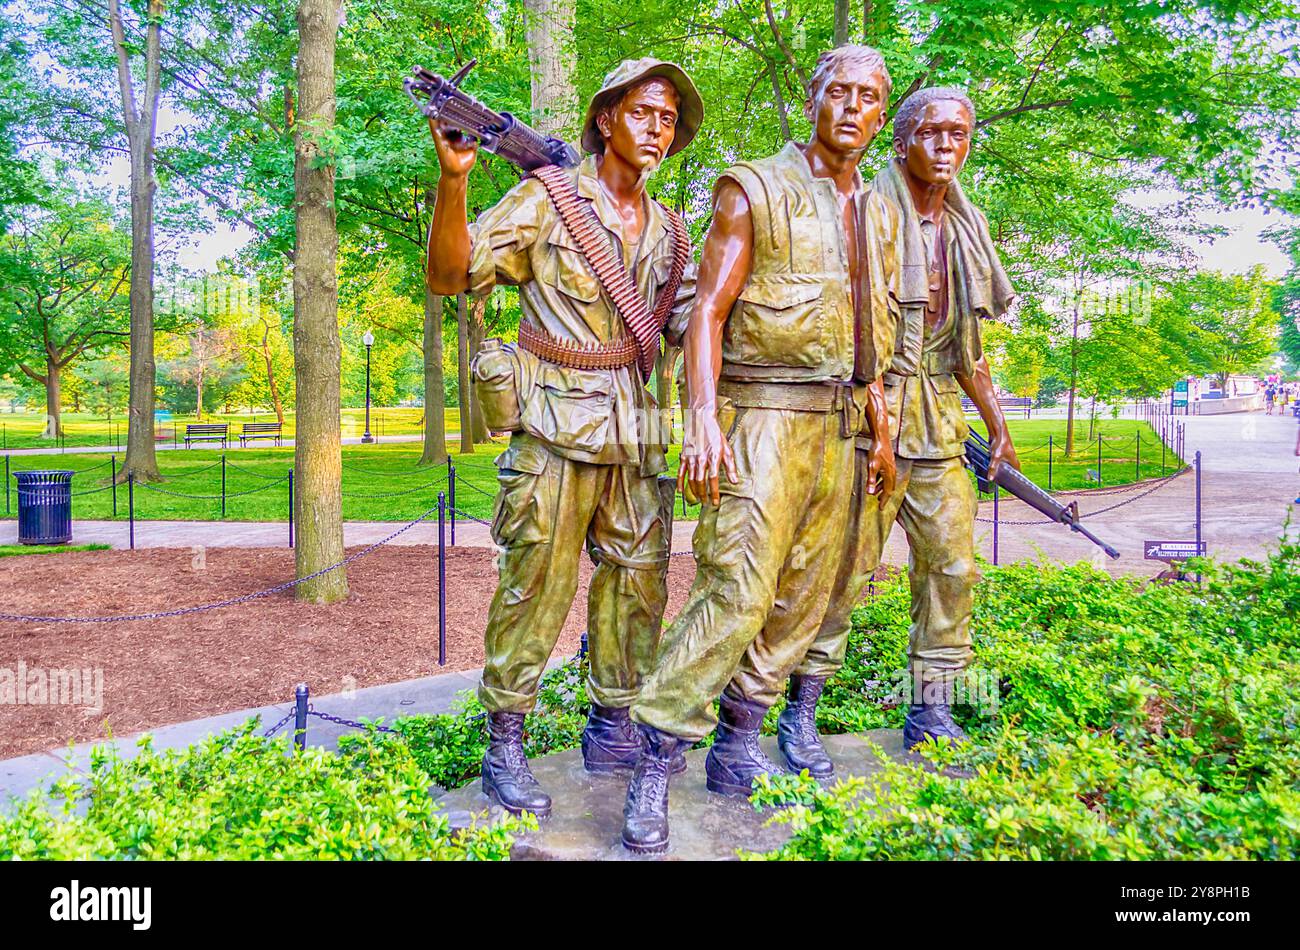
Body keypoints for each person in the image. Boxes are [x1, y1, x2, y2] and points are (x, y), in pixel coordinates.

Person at [620, 45, 900, 854]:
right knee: (737, 591)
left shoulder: (878, 210)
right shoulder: (754, 188)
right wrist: (702, 419)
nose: (852, 108)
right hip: (763, 414)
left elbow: (876, 337)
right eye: (838, 92)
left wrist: (882, 432)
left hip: (844, 427)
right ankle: (658, 759)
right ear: (813, 99)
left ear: (880, 114)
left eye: (868, 98)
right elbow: (705, 310)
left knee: (807, 596)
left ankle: (739, 744)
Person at [425, 59, 703, 819]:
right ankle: (505, 743)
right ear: (607, 118)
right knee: (536, 585)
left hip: (637, 431)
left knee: (639, 586)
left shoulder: (673, 230)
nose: (657, 129)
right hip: (552, 422)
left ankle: (613, 725)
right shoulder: (547, 201)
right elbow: (452, 275)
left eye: (669, 119)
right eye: (643, 112)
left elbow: (694, 327)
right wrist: (454, 181)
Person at [864, 86, 1021, 748]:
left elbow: (966, 348)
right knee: (836, 577)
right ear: (900, 145)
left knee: (953, 570)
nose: (946, 146)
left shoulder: (966, 228)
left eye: (958, 134)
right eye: (931, 134)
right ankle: (793, 715)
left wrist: (998, 423)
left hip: (938, 428)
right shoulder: (864, 214)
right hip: (863, 419)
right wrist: (876, 424)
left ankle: (932, 711)